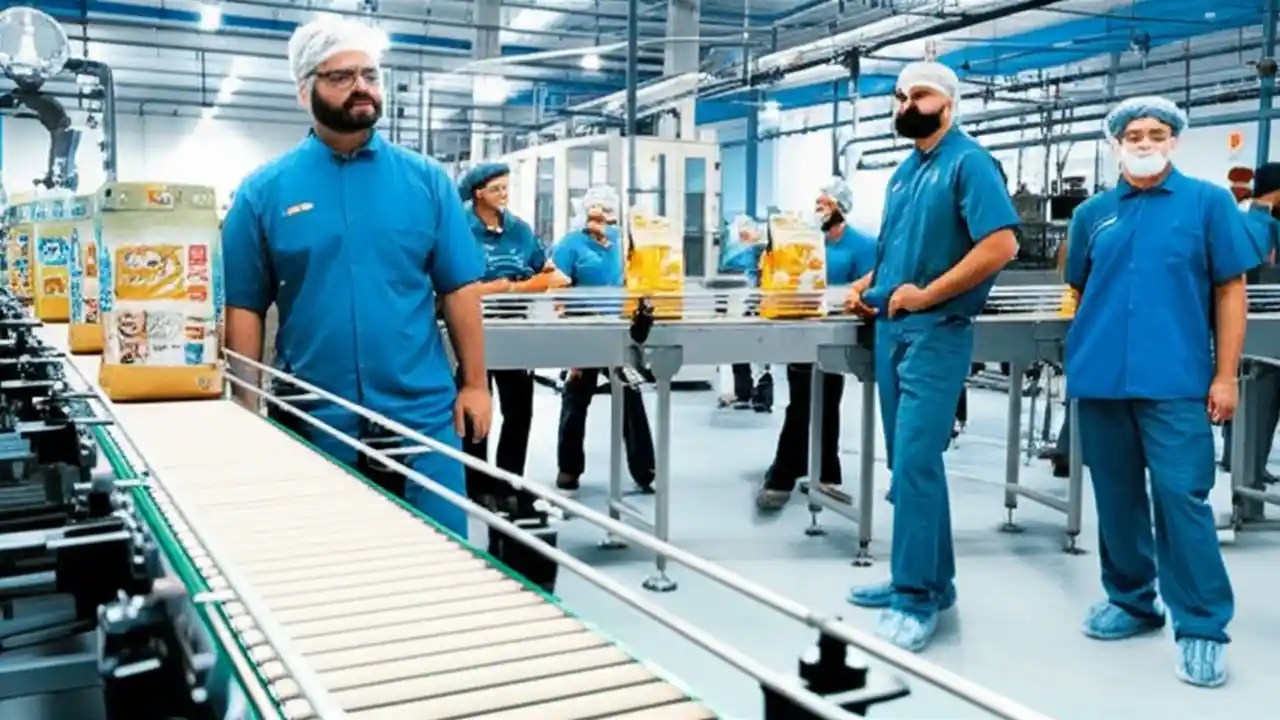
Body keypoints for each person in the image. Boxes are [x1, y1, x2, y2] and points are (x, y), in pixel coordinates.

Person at [221, 17, 491, 539]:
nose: (362, 86)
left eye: (370, 74)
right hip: (315, 416)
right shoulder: (262, 193)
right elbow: (245, 307)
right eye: (341, 76)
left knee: (443, 565)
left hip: (422, 416)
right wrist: (246, 404)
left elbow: (459, 287)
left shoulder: (427, 181)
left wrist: (476, 384)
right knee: (334, 570)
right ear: (306, 92)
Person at [1062, 96, 1261, 688]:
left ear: (1174, 140)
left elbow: (1231, 290)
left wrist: (1224, 375)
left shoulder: (1206, 204)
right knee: (1117, 498)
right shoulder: (1093, 213)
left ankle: (1201, 625)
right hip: (1101, 380)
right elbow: (1080, 287)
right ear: (1115, 143)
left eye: (1156, 133)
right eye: (1133, 134)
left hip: (1176, 381)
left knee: (1182, 498)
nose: (1144, 142)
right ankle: (1130, 601)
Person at [843, 60, 1020, 652]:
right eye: (899, 96)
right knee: (909, 466)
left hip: (936, 330)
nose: (905, 104)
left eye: (918, 94)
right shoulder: (904, 171)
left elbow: (1000, 244)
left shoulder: (968, 163)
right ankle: (925, 580)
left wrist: (927, 294)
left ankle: (915, 599)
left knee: (918, 459)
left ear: (948, 102)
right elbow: (900, 253)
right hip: (895, 330)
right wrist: (870, 285)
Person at [755, 179, 877, 511]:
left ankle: (793, 471)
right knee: (801, 398)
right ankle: (810, 468)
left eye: (826, 203)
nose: (820, 209)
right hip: (803, 326)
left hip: (838, 331)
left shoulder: (863, 244)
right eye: (818, 203)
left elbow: (872, 284)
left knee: (825, 398)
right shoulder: (807, 241)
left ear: (842, 208)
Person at [457, 161, 569, 513]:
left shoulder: (519, 229)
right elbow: (458, 286)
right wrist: (512, 286)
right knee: (477, 408)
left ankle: (509, 482)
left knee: (519, 410)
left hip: (517, 328)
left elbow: (545, 270)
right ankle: (476, 484)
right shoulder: (459, 227)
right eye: (496, 189)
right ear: (477, 193)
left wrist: (542, 281)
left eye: (506, 188)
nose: (504, 195)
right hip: (471, 329)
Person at [552, 186, 656, 494]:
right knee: (576, 396)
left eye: (607, 209)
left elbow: (639, 277)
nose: (601, 214)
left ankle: (644, 468)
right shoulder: (571, 244)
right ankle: (568, 468)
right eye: (595, 208)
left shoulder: (625, 243)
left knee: (631, 394)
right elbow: (556, 289)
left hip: (618, 331)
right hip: (583, 330)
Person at [719, 214, 773, 412]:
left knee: (761, 351)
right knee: (737, 348)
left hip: (758, 302)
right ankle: (743, 393)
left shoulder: (761, 250)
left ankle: (762, 396)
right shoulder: (736, 254)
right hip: (739, 302)